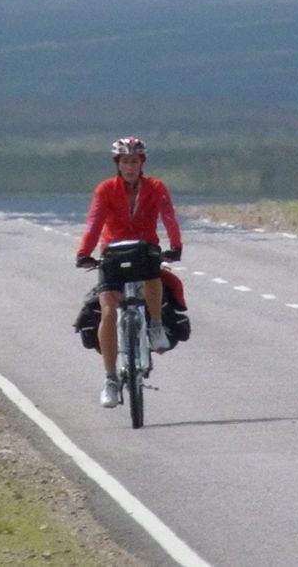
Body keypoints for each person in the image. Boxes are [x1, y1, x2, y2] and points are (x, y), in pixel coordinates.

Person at [76, 136, 183, 408]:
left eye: (134, 161)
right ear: (118, 164)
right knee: (109, 310)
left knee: (154, 275)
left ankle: (156, 326)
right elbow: (94, 220)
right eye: (125, 161)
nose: (130, 166)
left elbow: (168, 216)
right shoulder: (105, 189)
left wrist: (176, 245)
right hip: (113, 252)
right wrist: (84, 252)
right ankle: (111, 379)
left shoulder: (156, 187)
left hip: (146, 249)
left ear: (142, 162)